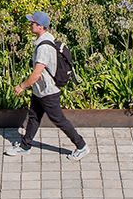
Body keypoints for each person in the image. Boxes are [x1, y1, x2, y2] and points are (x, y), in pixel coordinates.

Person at [6, 12, 87, 159]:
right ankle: (25, 145)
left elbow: (37, 74)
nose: (30, 24)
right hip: (40, 90)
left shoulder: (43, 47)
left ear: (41, 26)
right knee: (34, 117)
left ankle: (81, 146)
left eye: (33, 23)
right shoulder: (46, 38)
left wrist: (21, 86)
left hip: (48, 91)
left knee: (59, 120)